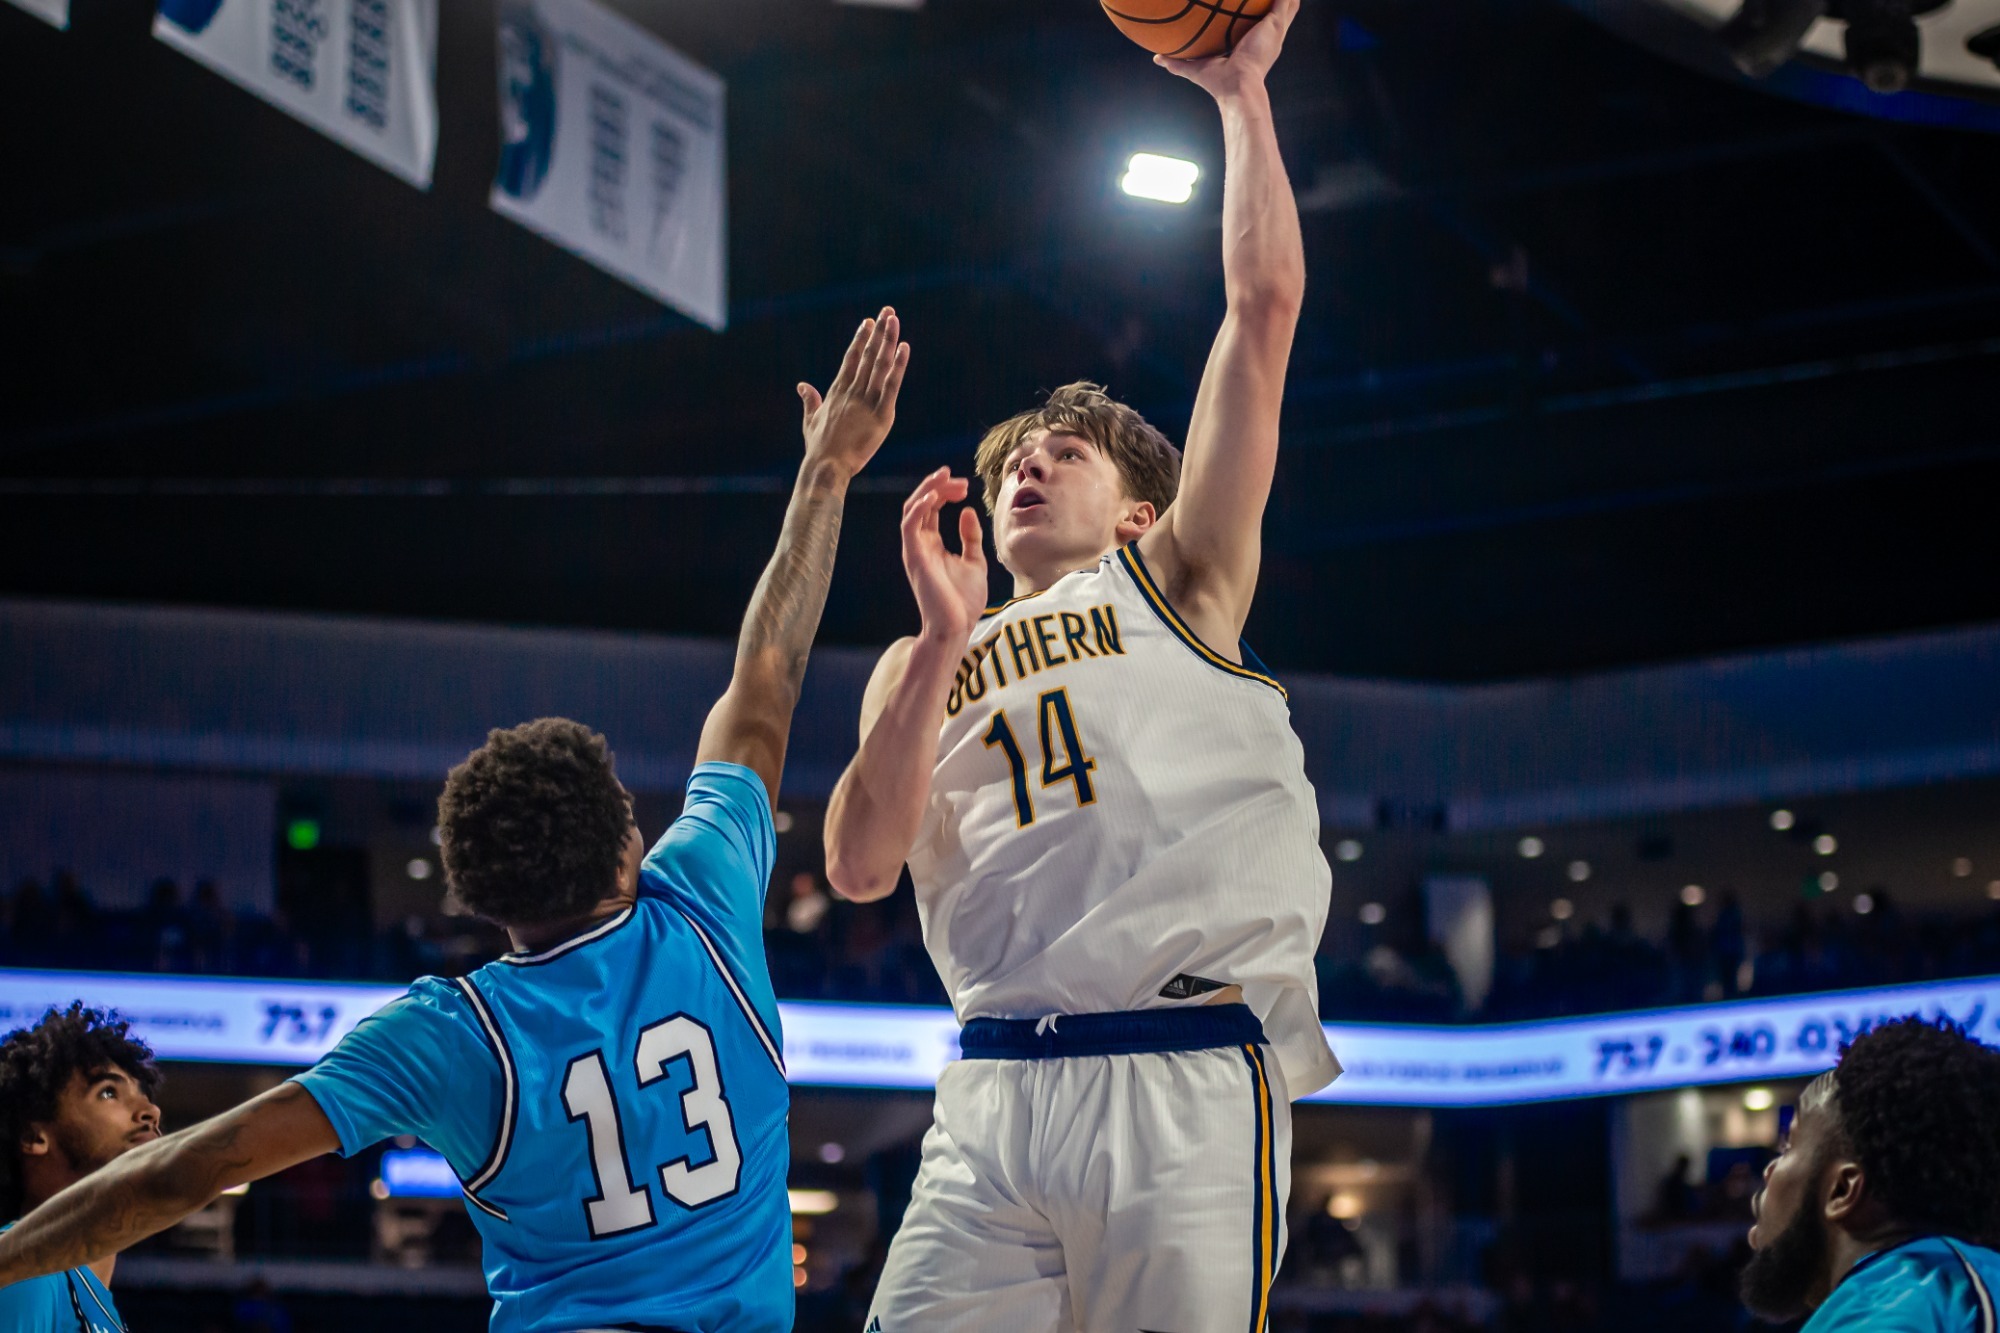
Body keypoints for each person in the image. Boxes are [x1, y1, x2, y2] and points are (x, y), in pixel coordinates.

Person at [0, 311, 912, 1333]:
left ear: (481, 898)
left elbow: (186, 1170)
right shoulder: (701, 890)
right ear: (625, 843)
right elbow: (766, 677)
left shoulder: (449, 1033)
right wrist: (824, 474)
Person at [823, 6, 1336, 1328]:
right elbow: (859, 866)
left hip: (1181, 1068)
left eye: (1062, 452)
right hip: (994, 1085)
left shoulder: (1179, 581)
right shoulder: (923, 653)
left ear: (1134, 511)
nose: (1024, 468)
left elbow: (1263, 308)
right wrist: (940, 641)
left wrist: (1240, 101)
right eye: (1006, 466)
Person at [1741, 1016, 2000, 1331]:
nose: (1769, 1169)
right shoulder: (1973, 1285)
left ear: (1842, 1190)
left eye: (1788, 1146)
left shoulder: (1887, 1311)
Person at [0, 1003, 162, 1333]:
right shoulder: (24, 1272)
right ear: (34, 1136)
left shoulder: (97, 1306)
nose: (151, 1111)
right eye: (108, 1092)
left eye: (144, 1094)